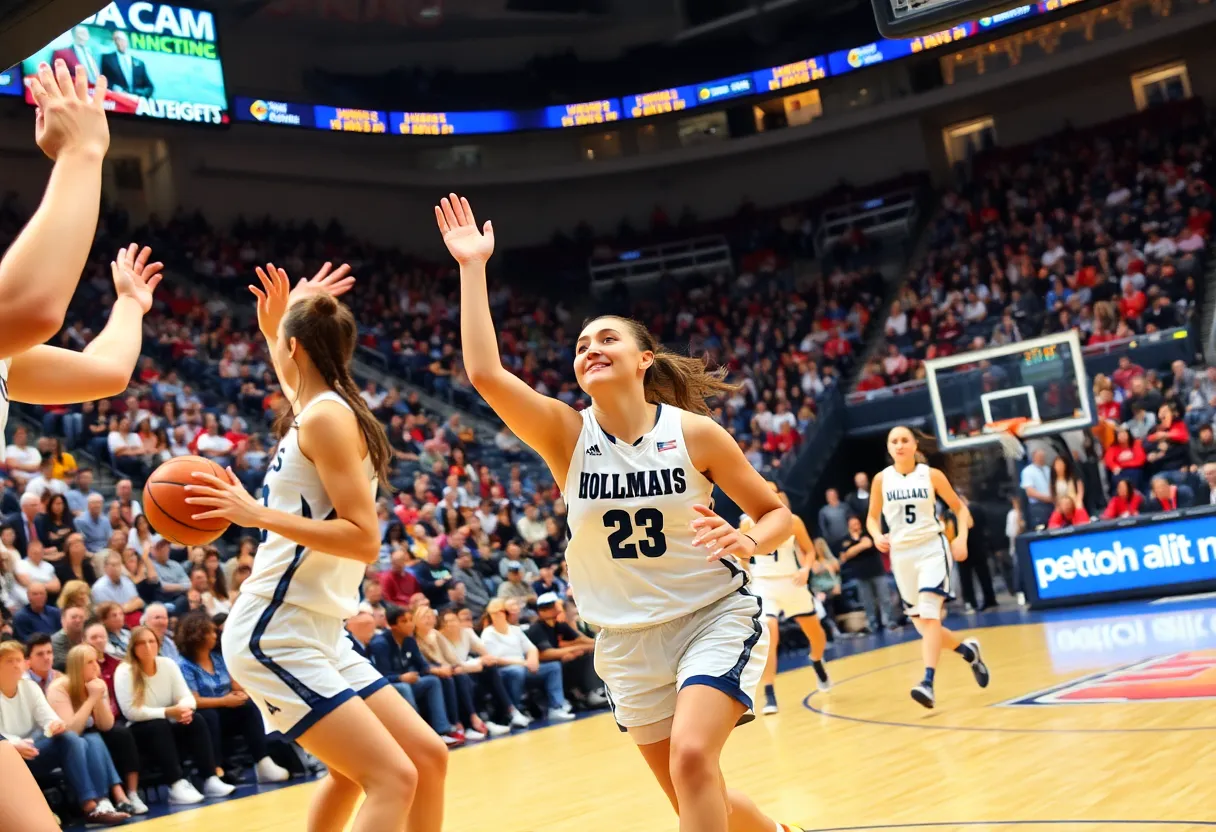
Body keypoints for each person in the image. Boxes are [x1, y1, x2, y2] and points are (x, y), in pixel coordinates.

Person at [439, 193, 805, 832]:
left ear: (644, 361)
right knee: (693, 794)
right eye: (581, 345)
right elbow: (484, 372)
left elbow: (777, 516)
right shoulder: (564, 434)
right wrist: (473, 266)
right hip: (624, 639)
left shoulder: (696, 434)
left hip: (709, 616)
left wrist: (746, 540)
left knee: (694, 760)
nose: (590, 348)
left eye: (607, 338)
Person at [185, 262, 448, 832]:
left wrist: (259, 515)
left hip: (313, 629)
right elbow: (290, 368)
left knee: (425, 760)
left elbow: (363, 540)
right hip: (276, 630)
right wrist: (277, 324)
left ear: (296, 347)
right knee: (392, 777)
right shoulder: (319, 408)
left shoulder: (325, 418)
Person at [867, 427, 990, 709]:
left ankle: (927, 682)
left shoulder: (931, 475)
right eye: (894, 441)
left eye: (904, 440)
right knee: (925, 627)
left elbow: (959, 509)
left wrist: (961, 538)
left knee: (931, 615)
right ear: (889, 448)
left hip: (931, 548)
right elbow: (872, 518)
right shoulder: (880, 480)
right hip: (901, 555)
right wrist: (876, 536)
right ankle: (968, 652)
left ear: (914, 445)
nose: (899, 445)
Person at [0, 640, 129, 825]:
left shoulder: (30, 687)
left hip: (32, 748)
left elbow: (48, 718)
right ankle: (96, 804)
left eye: (18, 660)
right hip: (6, 758)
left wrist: (55, 725)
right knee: (82, 739)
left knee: (71, 738)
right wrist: (13, 745)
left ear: (25, 663)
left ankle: (93, 806)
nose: (15, 665)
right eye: (9, 661)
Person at [740, 482, 830, 717]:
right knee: (768, 634)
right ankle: (769, 692)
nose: (768, 492)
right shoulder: (747, 522)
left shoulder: (793, 521)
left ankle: (816, 659)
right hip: (764, 584)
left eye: (772, 489)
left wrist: (806, 570)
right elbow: (742, 554)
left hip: (792, 582)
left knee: (817, 636)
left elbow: (809, 550)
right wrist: (746, 575)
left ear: (779, 494)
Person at [173, 611, 291, 783]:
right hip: (203, 715)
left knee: (248, 706)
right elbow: (193, 700)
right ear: (197, 635)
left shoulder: (219, 658)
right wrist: (225, 701)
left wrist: (242, 694)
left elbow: (234, 685)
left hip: (225, 710)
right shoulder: (183, 665)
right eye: (210, 632)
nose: (215, 636)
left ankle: (263, 762)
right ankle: (214, 772)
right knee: (209, 716)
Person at [115, 625, 227, 804]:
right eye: (141, 643)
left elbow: (187, 697)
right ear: (133, 648)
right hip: (140, 730)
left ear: (158, 644)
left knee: (196, 719)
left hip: (168, 722)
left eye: (151, 641)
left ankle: (210, 778)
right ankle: (175, 785)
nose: (147, 647)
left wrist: (184, 710)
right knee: (159, 725)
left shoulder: (167, 664)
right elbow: (131, 712)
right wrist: (168, 712)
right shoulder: (124, 671)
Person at [45, 644, 146, 815]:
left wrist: (98, 697)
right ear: (77, 667)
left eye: (96, 660)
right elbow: (72, 730)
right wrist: (92, 699)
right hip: (64, 740)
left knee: (104, 736)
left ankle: (120, 796)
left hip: (90, 736)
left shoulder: (97, 685)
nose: (96, 666)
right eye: (89, 662)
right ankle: (110, 796)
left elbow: (106, 725)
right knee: (89, 739)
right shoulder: (59, 687)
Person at [479, 597, 574, 720]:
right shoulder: (488, 633)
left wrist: (532, 660)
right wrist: (523, 663)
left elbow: (531, 648)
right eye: (496, 613)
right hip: (505, 670)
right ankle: (515, 711)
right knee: (516, 671)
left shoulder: (514, 630)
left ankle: (556, 707)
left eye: (502, 612)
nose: (499, 615)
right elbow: (494, 659)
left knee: (553, 667)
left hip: (524, 667)